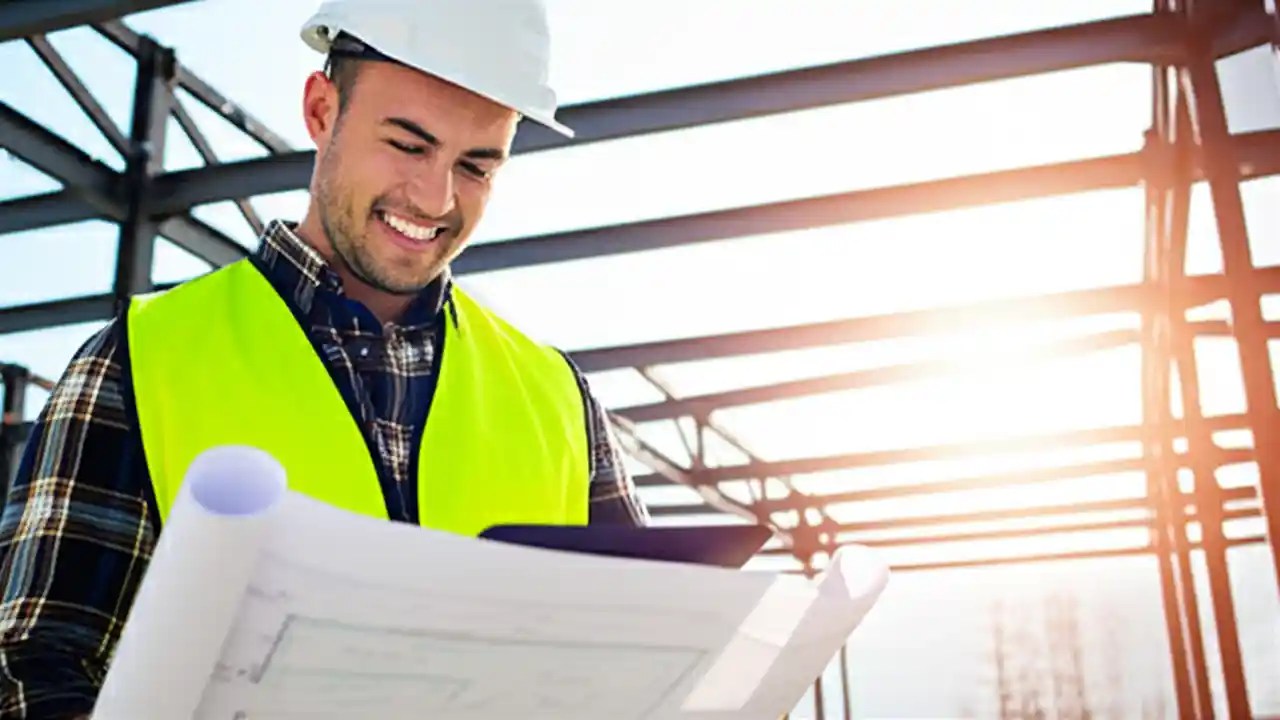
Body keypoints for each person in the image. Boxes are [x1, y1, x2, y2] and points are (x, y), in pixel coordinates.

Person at [0, 0, 647, 716]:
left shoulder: (557, 400)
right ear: (321, 110)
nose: (435, 198)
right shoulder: (141, 360)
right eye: (408, 145)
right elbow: (35, 673)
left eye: (476, 166)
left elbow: (652, 658)